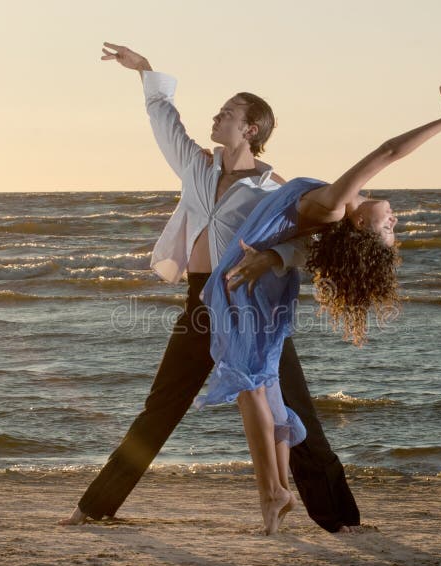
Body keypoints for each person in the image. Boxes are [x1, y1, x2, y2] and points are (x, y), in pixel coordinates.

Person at [59, 42, 362, 532]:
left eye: (228, 113)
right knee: (161, 407)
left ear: (251, 128)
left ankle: (340, 518)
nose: (216, 117)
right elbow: (165, 121)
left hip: (252, 312)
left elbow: (314, 242)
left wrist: (275, 254)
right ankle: (94, 507)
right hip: (201, 304)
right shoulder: (197, 167)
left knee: (297, 409)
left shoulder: (275, 188)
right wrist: (145, 72)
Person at [198, 78, 441, 533]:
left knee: (253, 389)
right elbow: (290, 241)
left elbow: (388, 151)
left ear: (362, 224)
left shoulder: (337, 204)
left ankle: (273, 492)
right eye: (393, 229)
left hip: (246, 285)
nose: (393, 222)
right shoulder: (333, 218)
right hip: (265, 285)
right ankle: (277, 493)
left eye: (386, 230)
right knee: (266, 388)